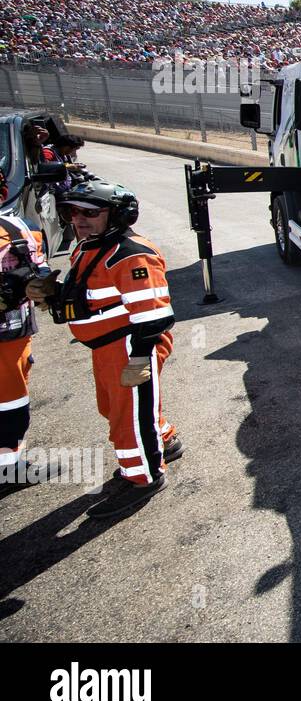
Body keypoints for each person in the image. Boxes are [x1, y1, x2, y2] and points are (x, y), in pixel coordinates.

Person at [26, 180, 183, 519]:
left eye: (90, 213)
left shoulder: (131, 254)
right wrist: (54, 296)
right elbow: (91, 297)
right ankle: (164, 442)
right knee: (119, 407)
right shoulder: (90, 246)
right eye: (72, 212)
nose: (78, 220)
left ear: (117, 214)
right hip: (109, 347)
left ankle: (144, 476)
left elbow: (154, 315)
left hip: (129, 347)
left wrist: (140, 357)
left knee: (128, 416)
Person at [0, 171, 53, 487]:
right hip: (8, 336)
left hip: (13, 332)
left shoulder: (16, 228)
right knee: (9, 401)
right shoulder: (16, 227)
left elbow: (38, 270)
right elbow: (38, 268)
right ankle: (8, 467)